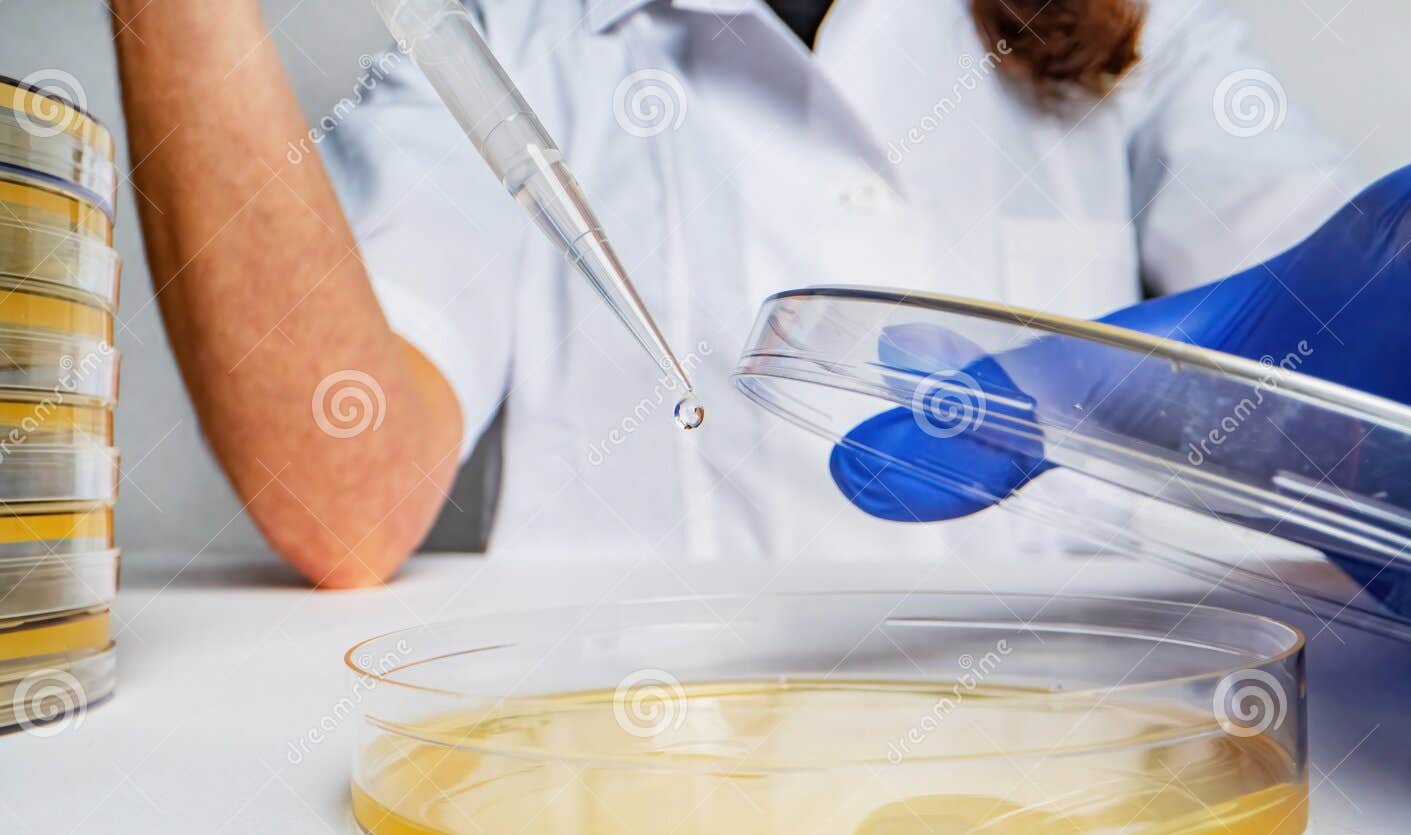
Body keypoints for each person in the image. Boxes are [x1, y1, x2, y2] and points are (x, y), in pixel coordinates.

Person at [110, 0, 1348, 585]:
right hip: (637, 811)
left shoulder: (1142, 31)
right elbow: (346, 496)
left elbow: (1380, 342)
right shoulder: (519, 42)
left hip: (1061, 798)